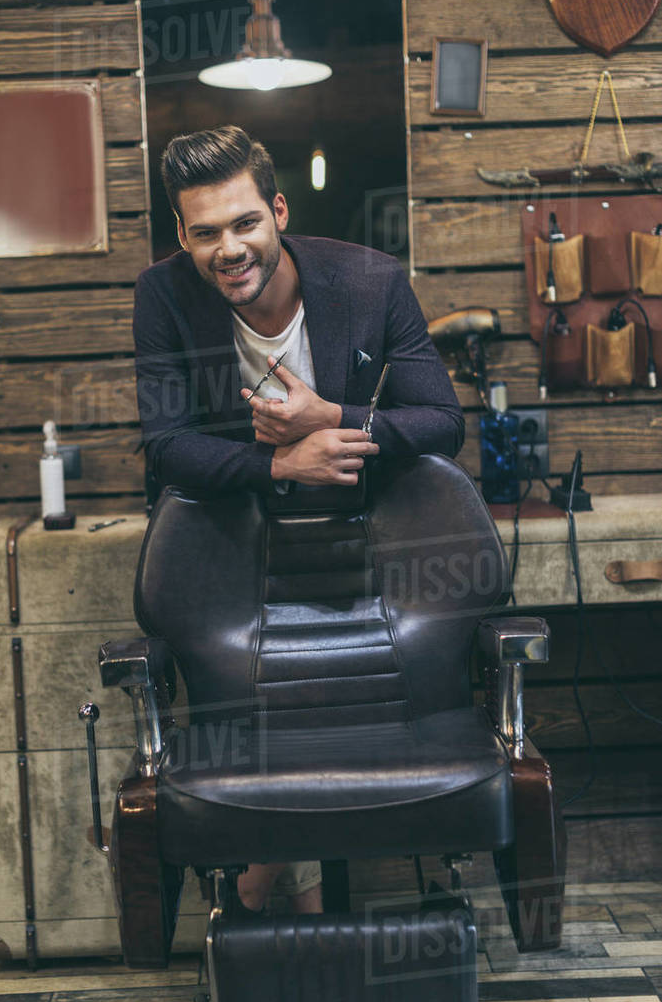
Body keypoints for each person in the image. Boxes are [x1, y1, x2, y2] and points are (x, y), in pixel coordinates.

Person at [133, 125, 464, 914]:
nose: (228, 248)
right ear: (182, 235)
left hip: (364, 552)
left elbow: (441, 421)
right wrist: (279, 464)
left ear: (276, 211)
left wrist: (332, 415)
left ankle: (304, 928)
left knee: (332, 728)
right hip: (230, 560)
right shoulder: (164, 295)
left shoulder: (369, 281)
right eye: (205, 232)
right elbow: (166, 444)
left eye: (244, 223)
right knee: (250, 759)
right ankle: (279, 932)